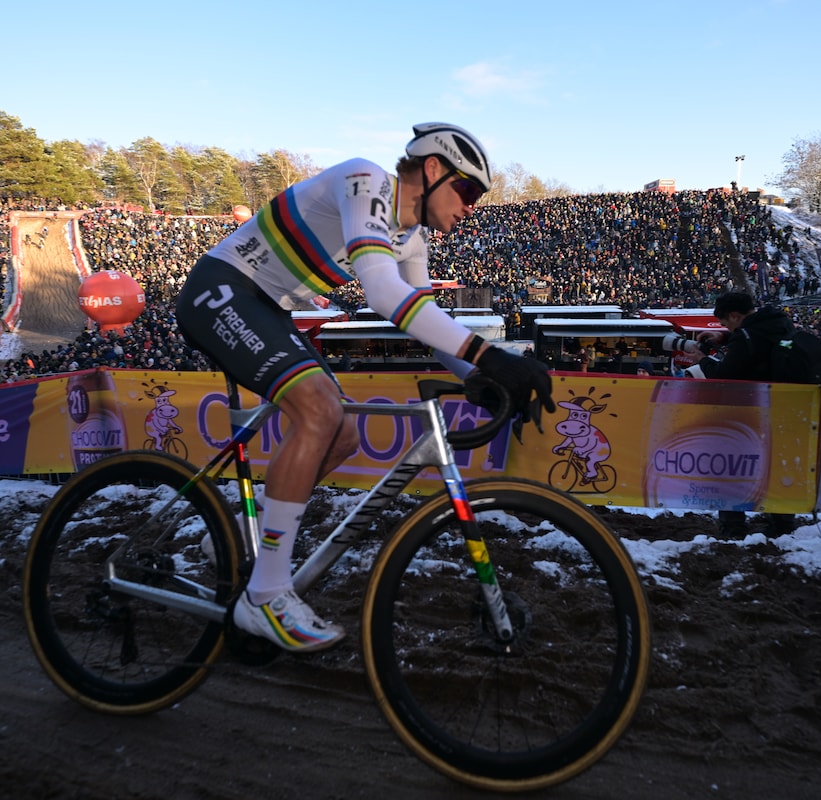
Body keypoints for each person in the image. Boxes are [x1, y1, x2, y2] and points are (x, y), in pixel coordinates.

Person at [175, 122, 555, 653]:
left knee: (344, 434)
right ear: (431, 170)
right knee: (318, 410)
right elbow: (380, 291)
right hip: (223, 287)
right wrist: (487, 353)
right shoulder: (365, 180)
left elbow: (419, 317)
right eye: (467, 190)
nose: (471, 206)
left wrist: (479, 375)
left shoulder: (411, 239)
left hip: (269, 309)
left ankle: (244, 528)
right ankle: (265, 595)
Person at [686, 290, 798, 539]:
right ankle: (782, 524)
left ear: (735, 316)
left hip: (747, 414)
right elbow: (759, 343)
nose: (724, 327)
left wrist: (703, 359)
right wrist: (725, 337)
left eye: (725, 323)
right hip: (784, 410)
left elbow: (724, 375)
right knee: (776, 468)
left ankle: (733, 525)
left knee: (731, 469)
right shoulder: (779, 322)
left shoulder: (747, 336)